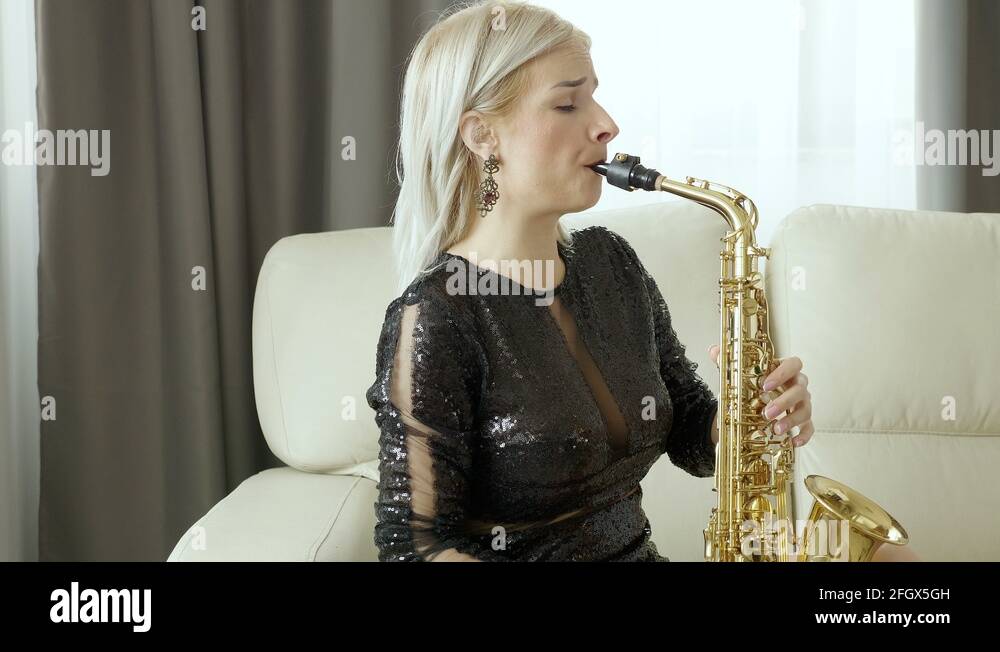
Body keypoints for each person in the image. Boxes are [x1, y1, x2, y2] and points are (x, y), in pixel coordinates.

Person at [366, 1, 911, 562]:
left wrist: (748, 419)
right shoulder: (435, 316)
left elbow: (689, 431)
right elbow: (415, 549)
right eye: (567, 103)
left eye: (595, 97)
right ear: (482, 135)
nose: (606, 124)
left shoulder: (611, 264)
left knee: (890, 567)